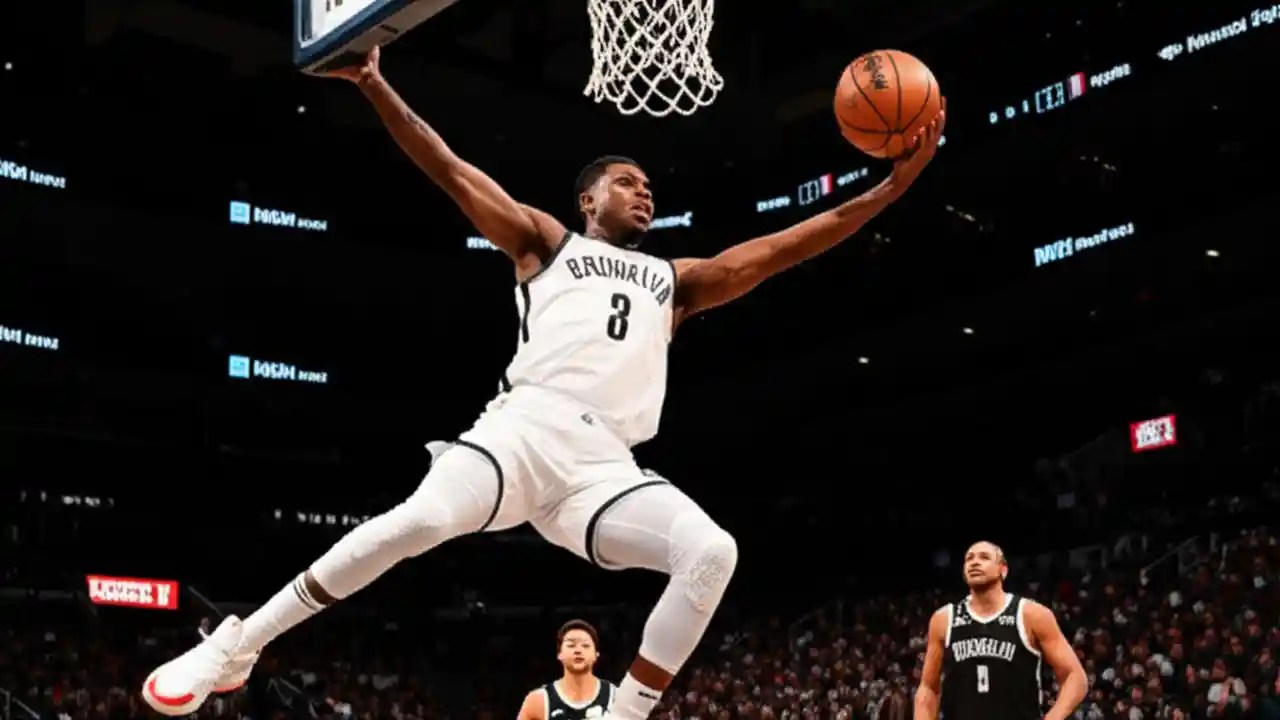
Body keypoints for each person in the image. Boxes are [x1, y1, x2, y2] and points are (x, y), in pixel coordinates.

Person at [141, 44, 945, 719]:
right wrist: (375, 83)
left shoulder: (678, 281)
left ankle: (624, 716)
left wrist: (889, 189)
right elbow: (452, 170)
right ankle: (238, 645)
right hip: (523, 430)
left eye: (648, 184)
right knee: (415, 521)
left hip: (605, 468)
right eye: (626, 181)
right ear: (588, 198)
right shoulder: (546, 243)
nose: (644, 190)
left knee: (711, 552)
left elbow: (787, 245)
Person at [913, 541, 1088, 720]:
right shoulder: (944, 619)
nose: (974, 562)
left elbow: (1075, 677)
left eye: (984, 557)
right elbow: (928, 688)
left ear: (1002, 569)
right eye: (969, 559)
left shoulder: (1031, 615)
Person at [517, 619, 616, 720]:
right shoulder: (538, 701)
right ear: (559, 654)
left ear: (596, 655)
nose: (578, 650)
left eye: (585, 645)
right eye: (571, 645)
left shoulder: (616, 698)